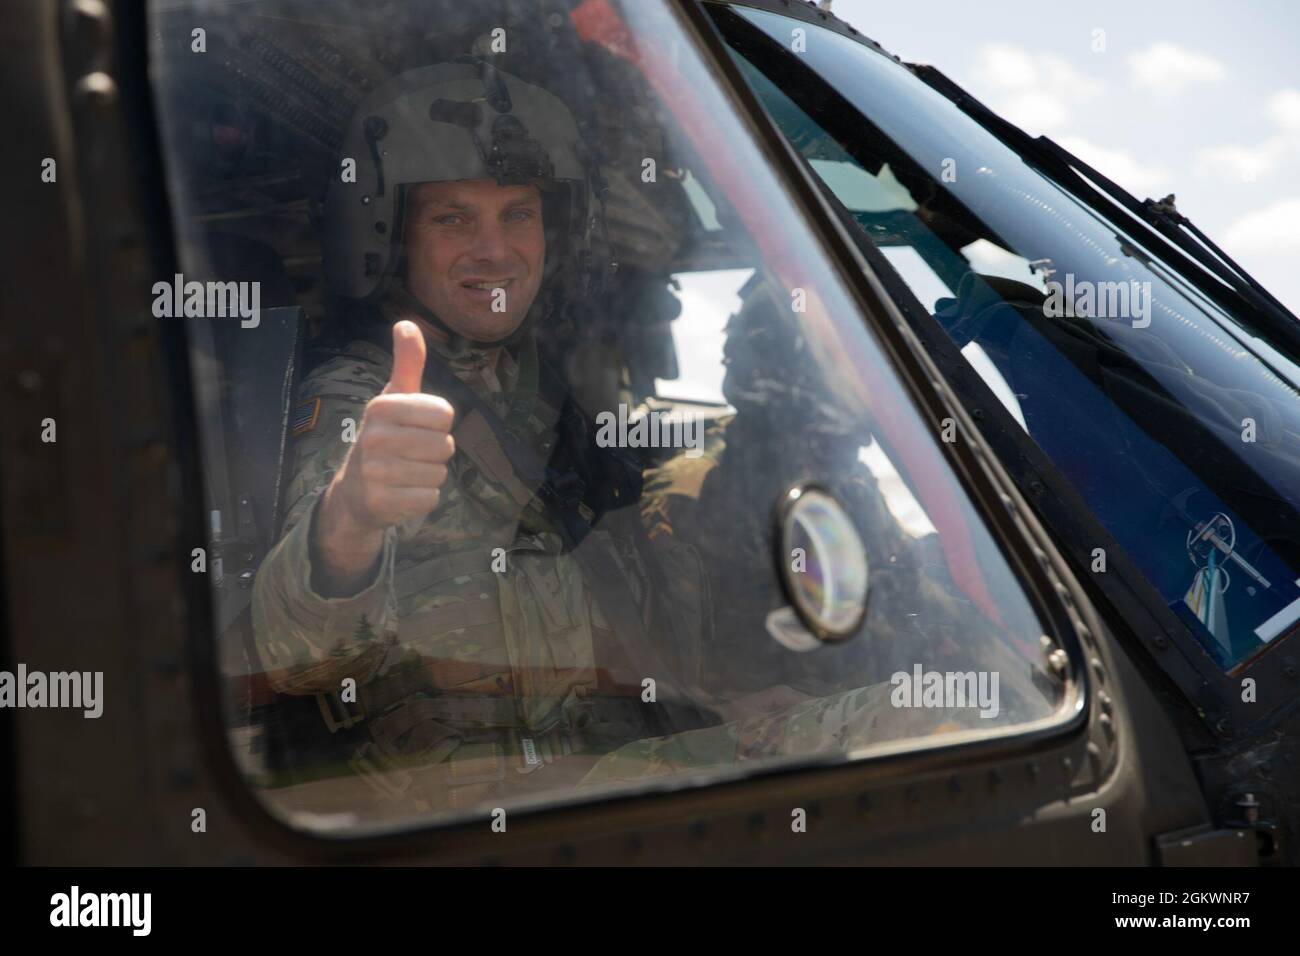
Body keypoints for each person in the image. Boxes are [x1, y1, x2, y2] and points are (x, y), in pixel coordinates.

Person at [251, 59, 711, 816]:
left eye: (518, 214)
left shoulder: (556, 403)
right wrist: (350, 521)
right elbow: (293, 657)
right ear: (389, 240)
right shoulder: (361, 402)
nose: (495, 250)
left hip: (620, 789)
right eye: (454, 217)